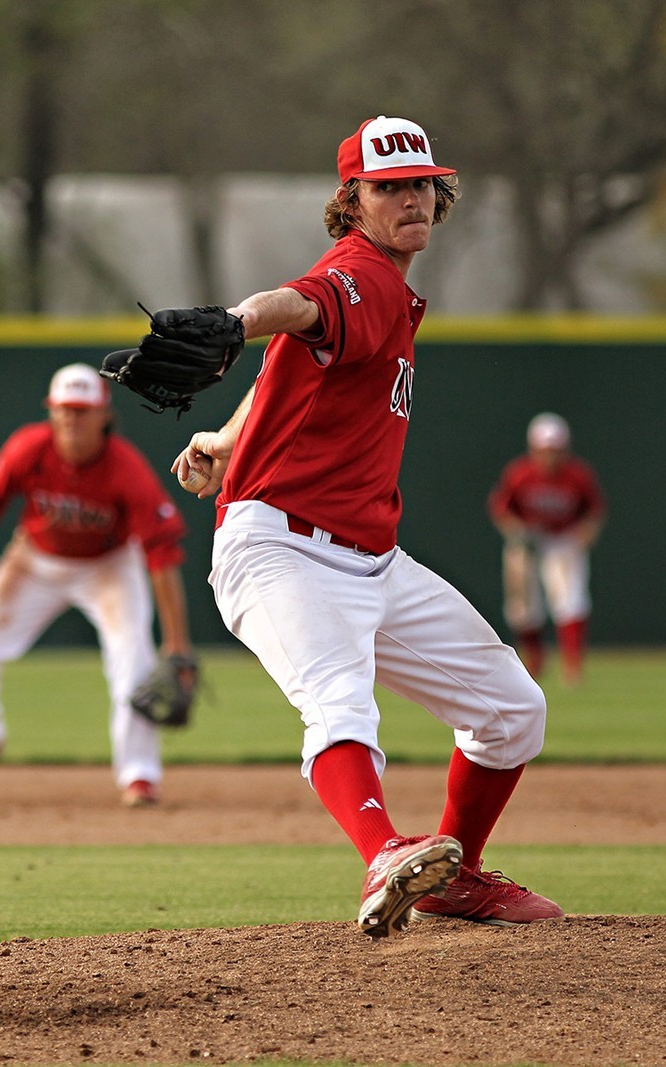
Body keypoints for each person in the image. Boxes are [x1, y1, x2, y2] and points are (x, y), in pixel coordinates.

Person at [169, 115, 562, 937]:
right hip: (281, 549)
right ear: (353, 201)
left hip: (372, 561)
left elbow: (297, 362)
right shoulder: (363, 274)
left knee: (511, 708)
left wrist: (224, 436)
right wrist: (236, 322)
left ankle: (457, 875)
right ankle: (384, 853)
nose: (410, 198)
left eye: (420, 183)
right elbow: (296, 309)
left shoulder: (385, 288)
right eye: (388, 188)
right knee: (340, 705)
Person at [0, 363, 194, 807]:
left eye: (81, 411)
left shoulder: (126, 469)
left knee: (133, 665)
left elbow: (162, 555)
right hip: (34, 560)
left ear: (103, 414)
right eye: (63, 410)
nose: (71, 420)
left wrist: (177, 643)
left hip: (108, 567)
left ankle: (139, 775)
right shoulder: (30, 447)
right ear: (51, 412)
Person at [488, 412, 606, 686]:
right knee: (523, 606)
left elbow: (594, 512)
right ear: (533, 449)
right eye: (544, 450)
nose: (549, 457)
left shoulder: (577, 475)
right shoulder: (520, 473)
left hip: (563, 539)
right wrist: (517, 531)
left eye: (555, 450)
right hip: (529, 538)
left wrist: (584, 533)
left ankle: (572, 668)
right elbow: (501, 508)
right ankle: (536, 662)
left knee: (569, 599)